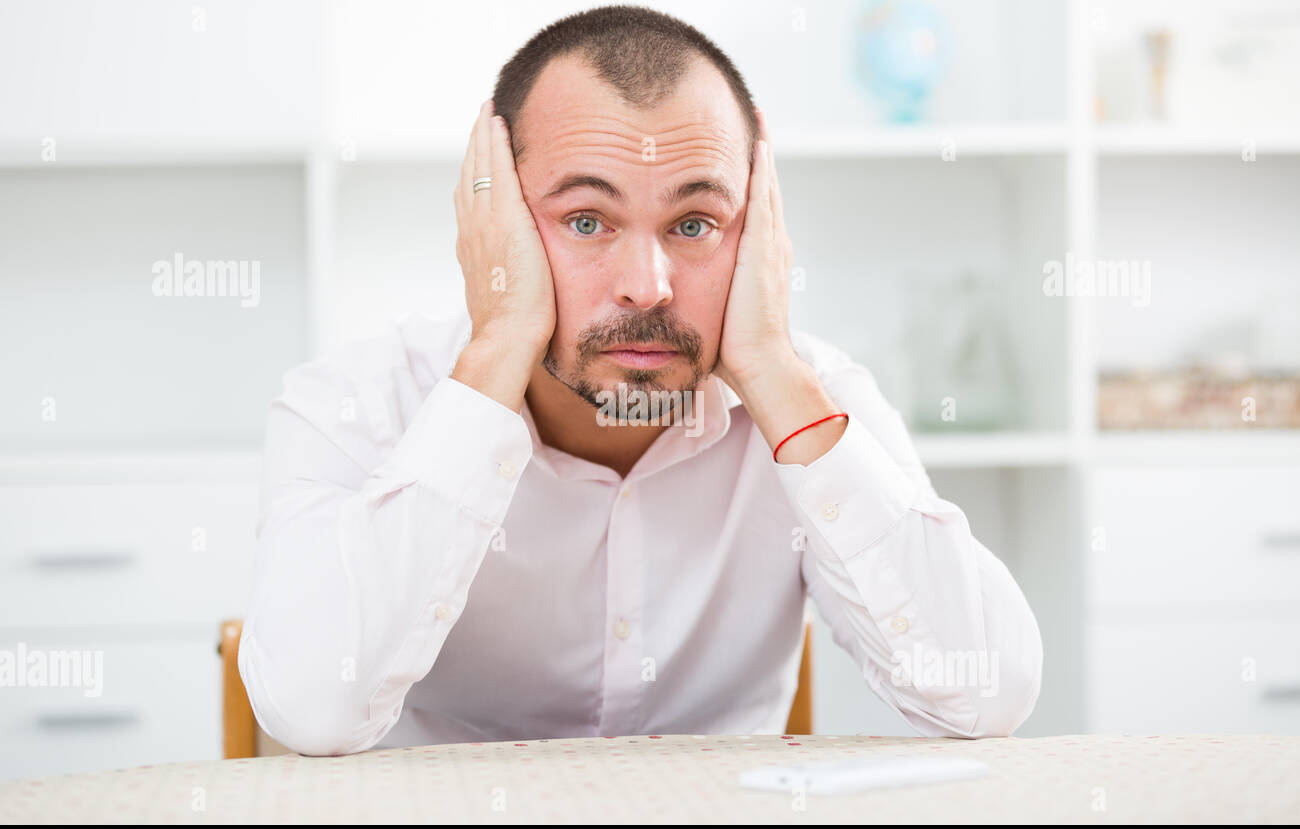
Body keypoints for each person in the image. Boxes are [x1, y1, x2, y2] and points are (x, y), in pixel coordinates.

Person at [239, 5, 1043, 755]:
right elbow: (313, 708)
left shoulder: (814, 399)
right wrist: (498, 350)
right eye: (587, 220)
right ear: (497, 221)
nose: (648, 283)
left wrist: (771, 372)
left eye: (695, 224)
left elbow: (989, 693)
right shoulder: (352, 402)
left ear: (756, 229)